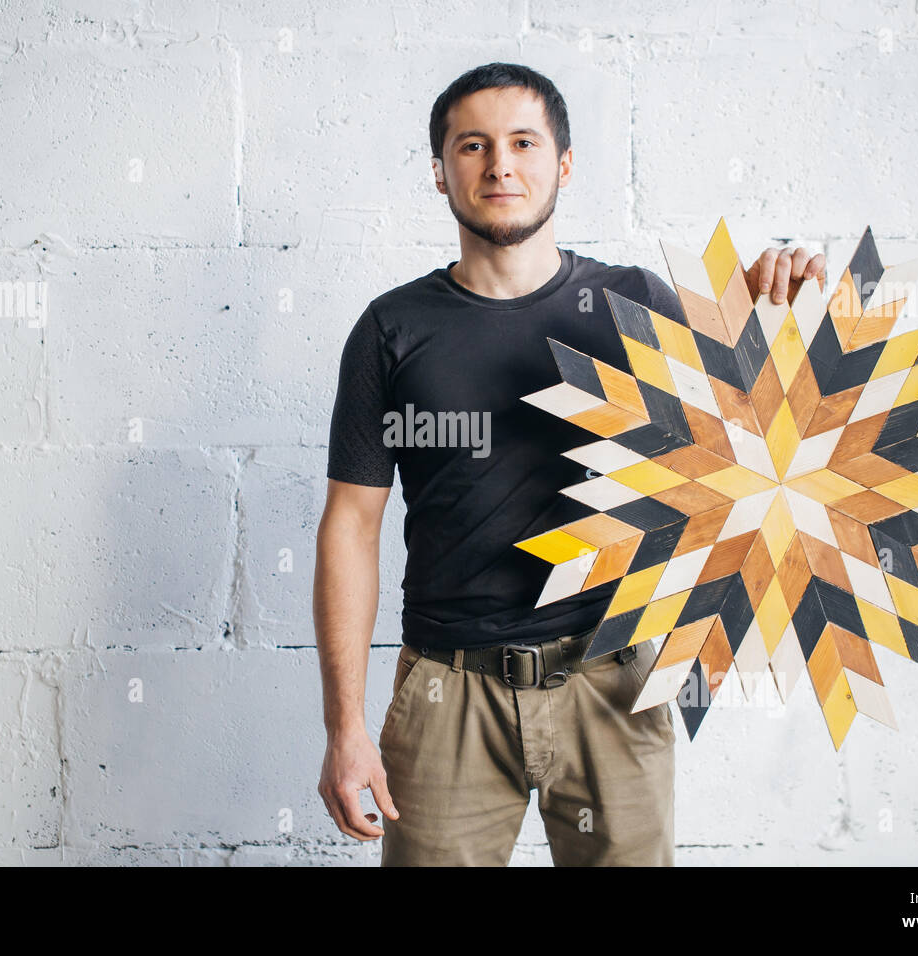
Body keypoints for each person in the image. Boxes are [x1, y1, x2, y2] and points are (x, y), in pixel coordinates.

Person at [313, 62, 825, 866]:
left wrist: (786, 294)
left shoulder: (635, 307)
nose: (500, 165)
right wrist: (344, 728)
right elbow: (351, 525)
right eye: (472, 145)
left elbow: (759, 438)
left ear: (565, 164)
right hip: (450, 690)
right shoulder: (391, 329)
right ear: (440, 171)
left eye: (523, 142)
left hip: (612, 678)